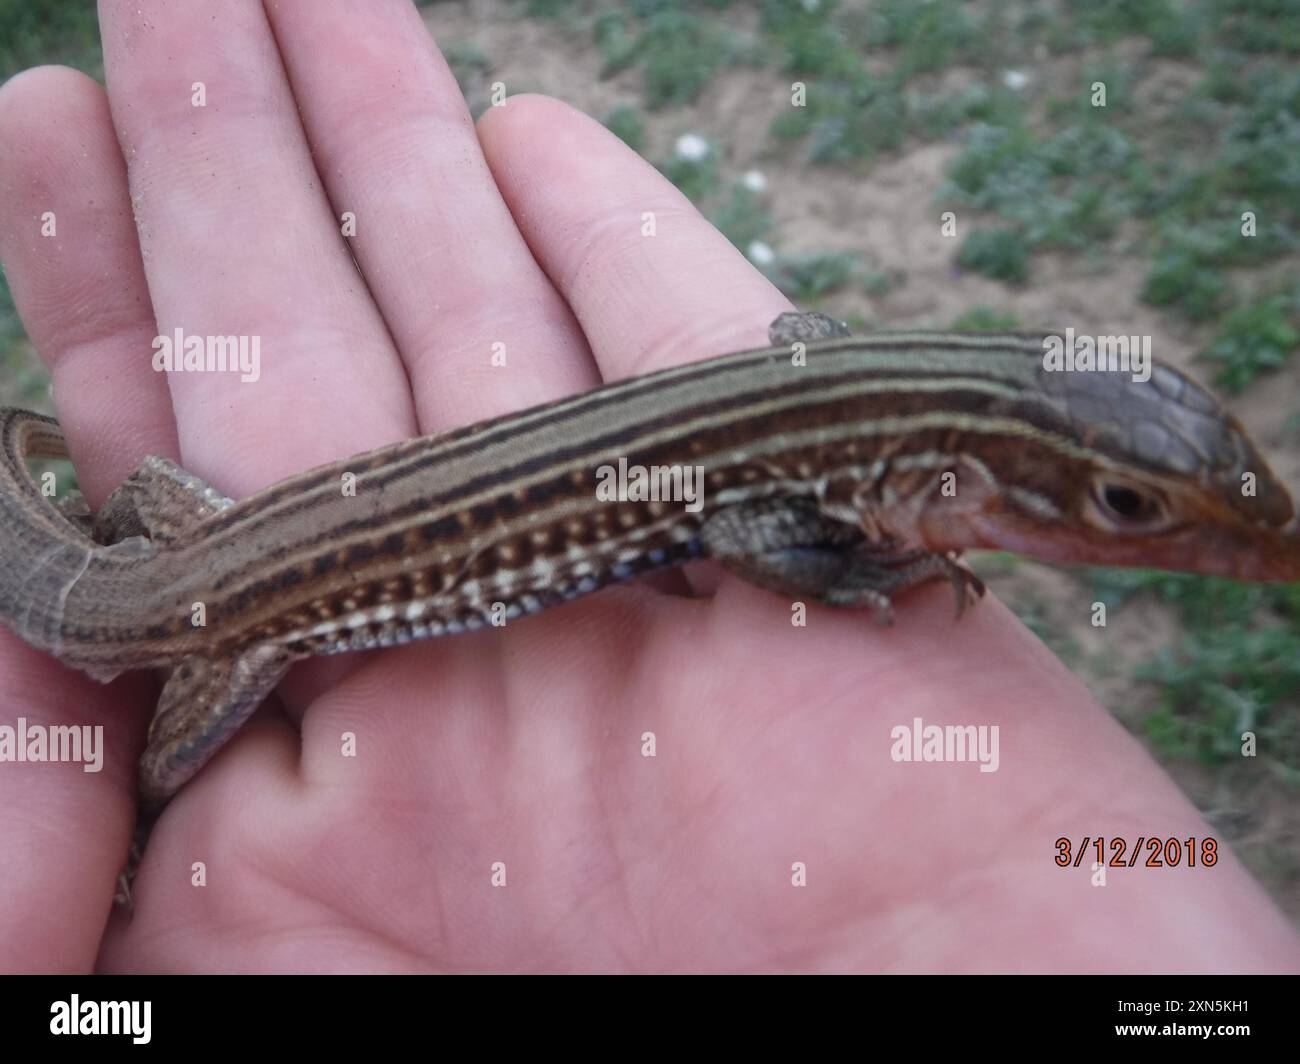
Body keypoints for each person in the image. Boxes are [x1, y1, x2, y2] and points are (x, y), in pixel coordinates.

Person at [0, 0, 1294, 973]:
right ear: (957, 464)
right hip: (229, 614)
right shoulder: (805, 481)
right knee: (153, 762)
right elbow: (742, 521)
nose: (1160, 539)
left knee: (156, 509)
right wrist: (852, 564)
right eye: (1129, 509)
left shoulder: (830, 395)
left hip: (225, 535)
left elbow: (799, 354)